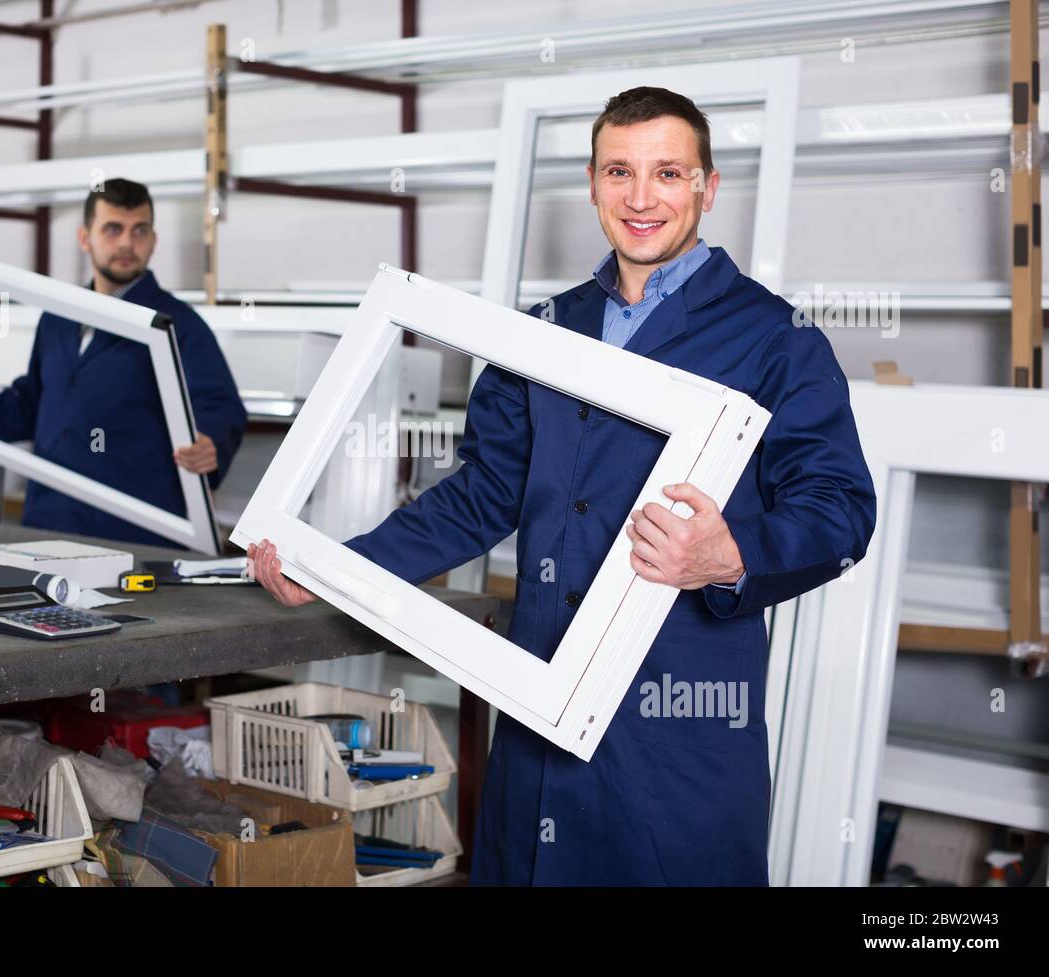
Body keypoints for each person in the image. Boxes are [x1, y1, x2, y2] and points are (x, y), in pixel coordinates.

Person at [247, 87, 876, 885]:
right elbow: (481, 494)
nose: (641, 197)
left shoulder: (775, 340)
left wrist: (731, 553)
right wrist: (335, 565)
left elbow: (842, 509)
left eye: (668, 173)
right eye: (620, 171)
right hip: (539, 700)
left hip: (679, 723)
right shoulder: (543, 331)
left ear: (707, 188)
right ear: (591, 182)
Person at [0, 178, 246, 549]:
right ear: (84, 238)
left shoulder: (176, 325)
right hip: (49, 525)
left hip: (136, 538)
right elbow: (25, 407)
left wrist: (209, 441)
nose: (126, 242)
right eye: (113, 229)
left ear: (153, 241)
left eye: (139, 230)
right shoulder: (58, 316)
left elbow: (220, 406)